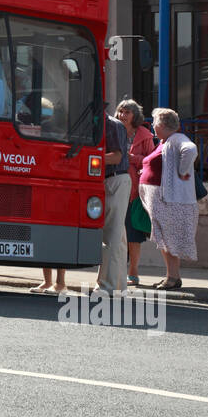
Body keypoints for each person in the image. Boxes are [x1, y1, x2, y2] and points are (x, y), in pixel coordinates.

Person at [138, 107, 198, 290]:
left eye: (155, 124)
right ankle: (171, 276)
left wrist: (182, 170)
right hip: (161, 201)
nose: (153, 127)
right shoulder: (166, 141)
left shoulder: (177, 139)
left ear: (162, 125)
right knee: (165, 239)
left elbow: (191, 150)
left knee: (169, 239)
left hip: (168, 201)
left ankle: (173, 277)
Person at [116, 99, 155, 286]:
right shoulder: (114, 129)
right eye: (120, 111)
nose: (122, 115)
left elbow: (152, 160)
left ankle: (133, 273)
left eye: (126, 112)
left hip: (135, 190)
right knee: (116, 232)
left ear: (134, 116)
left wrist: (133, 158)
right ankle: (117, 271)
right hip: (115, 185)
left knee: (133, 235)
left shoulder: (144, 134)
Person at [96, 109, 132, 293]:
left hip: (115, 180)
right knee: (117, 237)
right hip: (114, 180)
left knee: (110, 236)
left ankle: (106, 286)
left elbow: (117, 156)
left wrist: (92, 157)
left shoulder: (112, 125)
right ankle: (118, 286)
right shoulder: (109, 124)